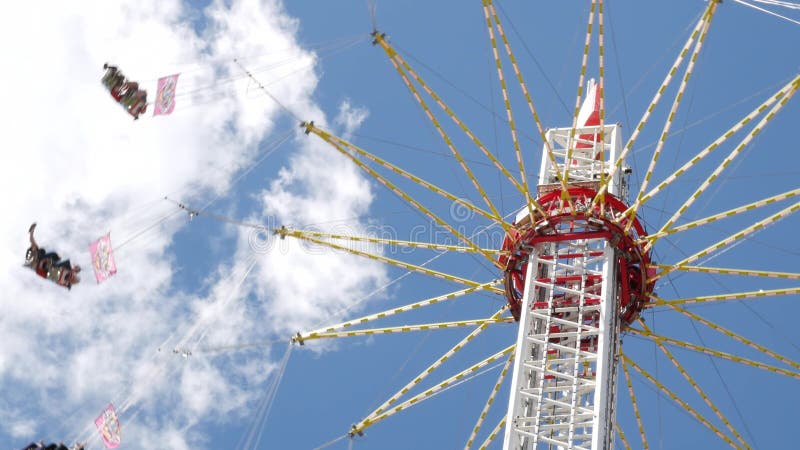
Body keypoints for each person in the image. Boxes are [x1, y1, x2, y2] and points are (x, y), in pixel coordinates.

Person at [25, 223, 81, 289]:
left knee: (52, 257)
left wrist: (31, 232)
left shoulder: (35, 258)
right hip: (49, 267)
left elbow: (41, 270)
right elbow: (32, 240)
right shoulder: (38, 254)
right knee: (54, 257)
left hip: (44, 267)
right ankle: (71, 273)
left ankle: (71, 274)